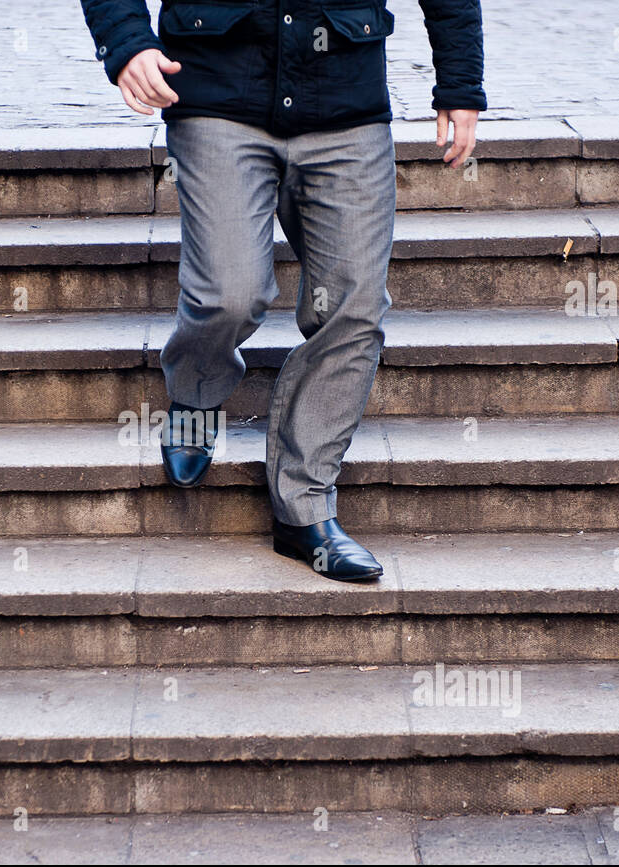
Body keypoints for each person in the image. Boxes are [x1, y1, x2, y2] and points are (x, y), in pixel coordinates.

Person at [79, 1, 485, 580]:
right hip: (217, 96)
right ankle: (195, 392)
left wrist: (460, 82)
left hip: (346, 106)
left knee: (355, 305)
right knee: (230, 291)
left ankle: (303, 508)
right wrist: (126, 43)